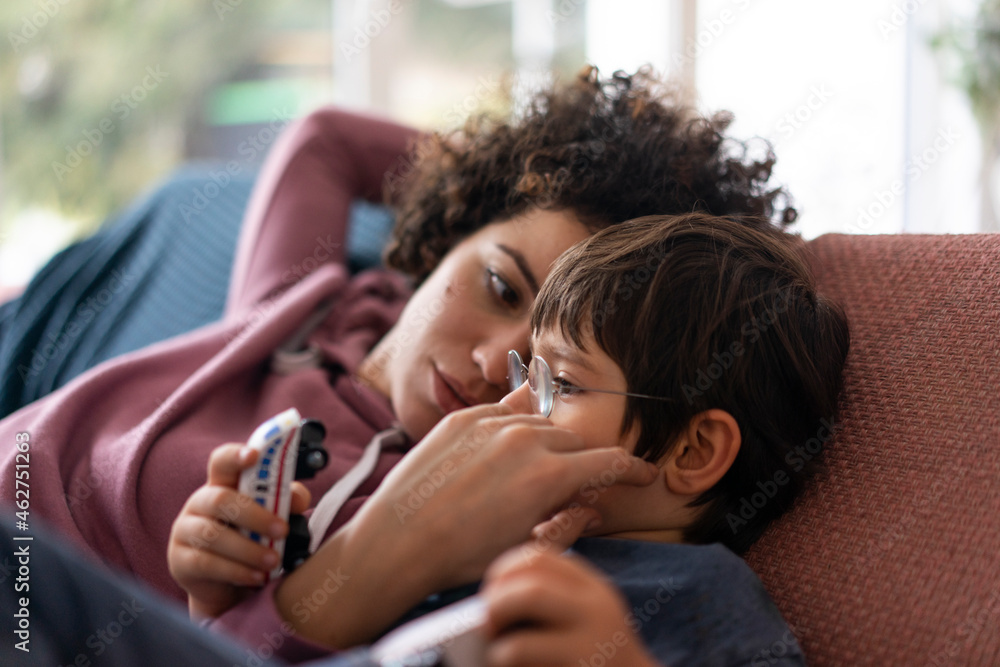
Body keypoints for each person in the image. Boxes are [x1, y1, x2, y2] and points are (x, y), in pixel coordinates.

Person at [0, 65, 795, 649]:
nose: (494, 367)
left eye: (552, 373)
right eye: (498, 285)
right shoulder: (311, 302)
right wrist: (530, 169)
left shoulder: (466, 500)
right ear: (450, 239)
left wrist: (218, 588)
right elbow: (326, 139)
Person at [170, 213, 850, 665]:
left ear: (693, 451)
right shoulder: (473, 535)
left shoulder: (699, 593)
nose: (516, 399)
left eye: (566, 385)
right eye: (532, 373)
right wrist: (218, 596)